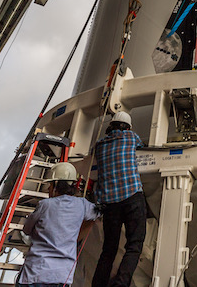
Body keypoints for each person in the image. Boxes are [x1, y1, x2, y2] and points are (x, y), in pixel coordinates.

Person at [19, 161, 98, 287]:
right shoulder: (82, 205)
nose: (48, 189)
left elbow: (27, 229)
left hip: (36, 274)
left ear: (56, 184)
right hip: (62, 276)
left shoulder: (45, 205)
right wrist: (78, 234)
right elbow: (98, 213)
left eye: (50, 185)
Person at [92, 111, 146, 287]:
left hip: (110, 204)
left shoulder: (99, 145)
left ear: (111, 126)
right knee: (134, 244)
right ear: (127, 127)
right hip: (131, 197)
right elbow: (141, 146)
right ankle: (120, 283)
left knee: (108, 249)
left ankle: (98, 284)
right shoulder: (130, 137)